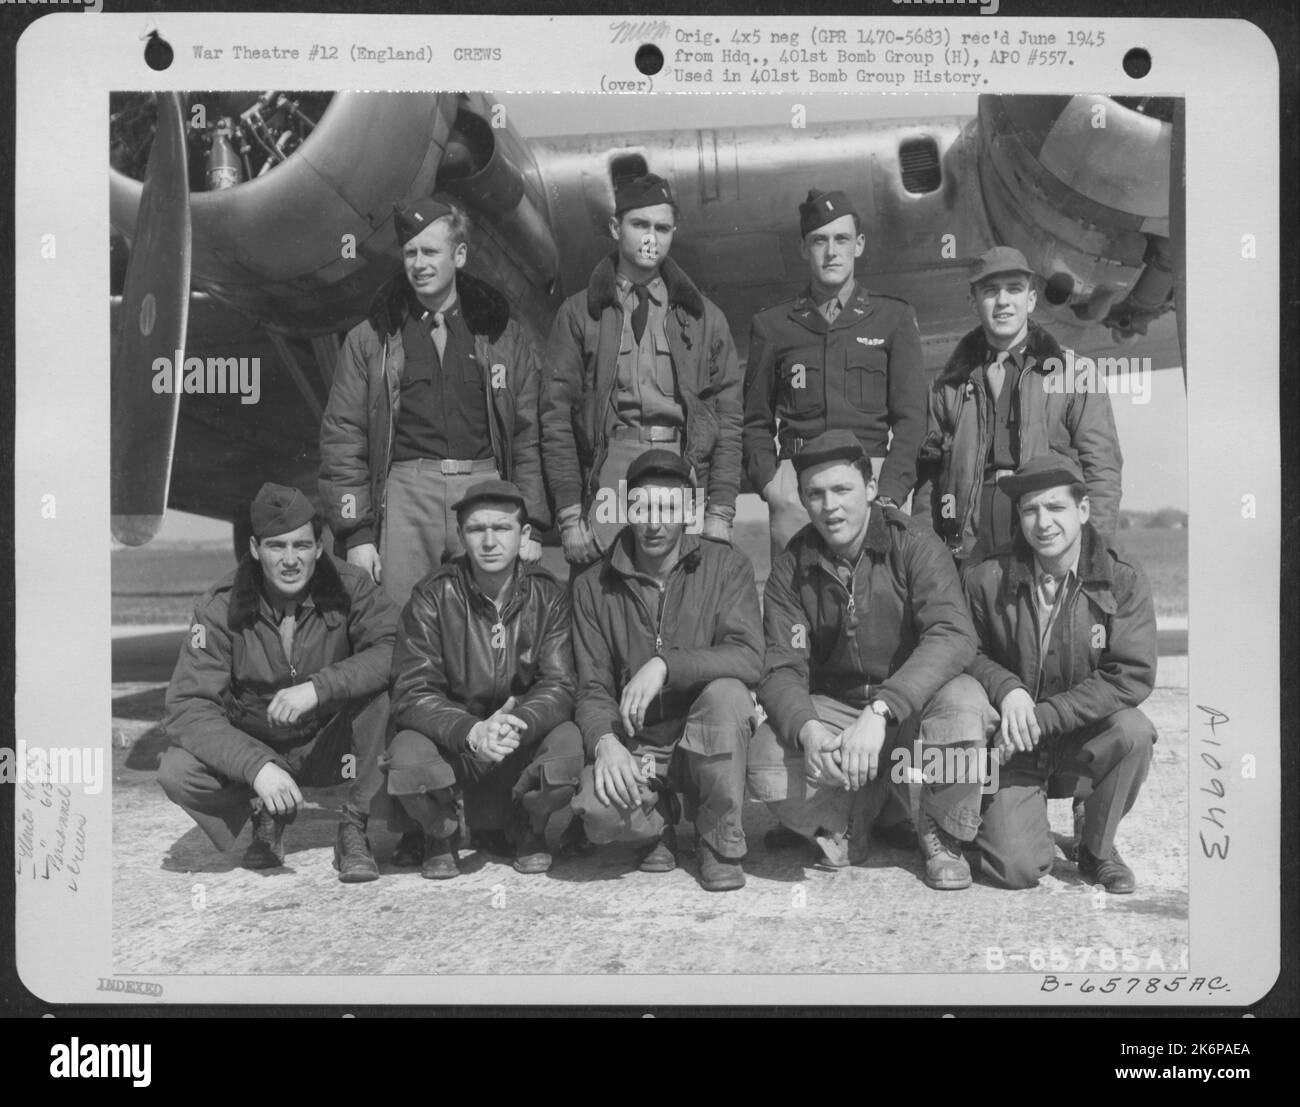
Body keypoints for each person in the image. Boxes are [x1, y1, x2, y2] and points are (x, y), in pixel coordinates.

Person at [747, 431, 994, 890]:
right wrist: (808, 729)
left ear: (870, 488)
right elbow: (782, 667)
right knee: (764, 757)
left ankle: (941, 831)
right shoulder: (790, 567)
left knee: (966, 700)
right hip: (837, 714)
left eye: (842, 490)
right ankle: (848, 823)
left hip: (910, 708)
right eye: (815, 494)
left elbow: (953, 634)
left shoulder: (914, 543)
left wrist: (882, 708)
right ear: (801, 498)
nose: (830, 506)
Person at [156, 483, 397, 882]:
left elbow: (393, 646)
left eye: (301, 547)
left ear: (319, 548)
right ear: (254, 549)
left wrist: (321, 687)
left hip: (331, 748)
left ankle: (355, 824)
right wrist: (256, 767)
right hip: (259, 744)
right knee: (177, 771)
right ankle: (265, 812)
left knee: (384, 692)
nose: (290, 560)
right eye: (276, 547)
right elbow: (187, 707)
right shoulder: (218, 606)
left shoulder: (351, 587)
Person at [319, 194, 548, 609]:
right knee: (400, 627)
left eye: (430, 251)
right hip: (406, 495)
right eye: (410, 253)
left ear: (459, 256)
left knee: (487, 624)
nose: (419, 264)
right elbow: (343, 439)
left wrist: (529, 523)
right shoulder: (371, 340)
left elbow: (527, 436)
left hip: (484, 492)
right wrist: (357, 534)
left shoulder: (504, 336)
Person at [569, 450, 763, 891]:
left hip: (704, 736)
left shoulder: (727, 566)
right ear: (626, 510)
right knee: (597, 814)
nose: (654, 523)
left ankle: (718, 839)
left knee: (729, 694)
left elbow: (750, 656)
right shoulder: (591, 585)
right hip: (639, 745)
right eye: (641, 508)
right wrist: (604, 743)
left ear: (689, 512)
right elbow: (592, 688)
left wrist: (666, 664)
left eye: (667, 509)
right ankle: (657, 825)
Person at [962, 454, 1156, 893]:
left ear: (1083, 511)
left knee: (1134, 732)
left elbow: (1130, 674)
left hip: (1076, 737)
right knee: (1015, 869)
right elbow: (962, 651)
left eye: (1055, 508)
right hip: (1012, 746)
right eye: (1030, 510)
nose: (1042, 523)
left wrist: (1042, 717)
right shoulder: (985, 579)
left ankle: (1096, 849)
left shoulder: (1121, 580)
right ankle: (1009, 824)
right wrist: (1006, 688)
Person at [382, 480, 584, 878]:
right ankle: (441, 831)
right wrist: (472, 731)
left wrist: (515, 724)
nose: (489, 541)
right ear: (460, 536)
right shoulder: (431, 596)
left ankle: (528, 823)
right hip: (457, 746)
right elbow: (412, 690)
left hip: (516, 742)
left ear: (524, 535)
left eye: (502, 529)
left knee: (568, 749)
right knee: (405, 756)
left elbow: (559, 684)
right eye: (476, 530)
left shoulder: (549, 594)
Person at [541, 173, 743, 566]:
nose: (651, 237)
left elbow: (728, 418)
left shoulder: (704, 318)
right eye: (640, 225)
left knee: (682, 597)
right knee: (601, 589)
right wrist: (568, 514)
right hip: (611, 465)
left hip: (681, 465)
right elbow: (555, 416)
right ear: (616, 227)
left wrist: (719, 511)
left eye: (662, 228)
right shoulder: (580, 314)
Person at [743, 189, 927, 561]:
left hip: (869, 485)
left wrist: (889, 493)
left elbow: (912, 420)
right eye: (819, 241)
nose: (831, 252)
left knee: (879, 603)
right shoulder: (773, 326)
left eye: (842, 239)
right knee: (797, 604)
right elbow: (753, 420)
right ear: (803, 248)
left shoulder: (893, 319)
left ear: (858, 245)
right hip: (797, 486)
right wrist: (772, 485)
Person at [914, 246, 1123, 569]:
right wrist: (925, 560)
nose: (1002, 301)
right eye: (990, 291)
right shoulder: (947, 387)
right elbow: (929, 482)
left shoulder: (1076, 375)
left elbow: (1102, 470)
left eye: (1014, 289)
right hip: (968, 550)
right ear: (973, 302)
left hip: (1046, 544)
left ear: (1031, 299)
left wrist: (1092, 553)